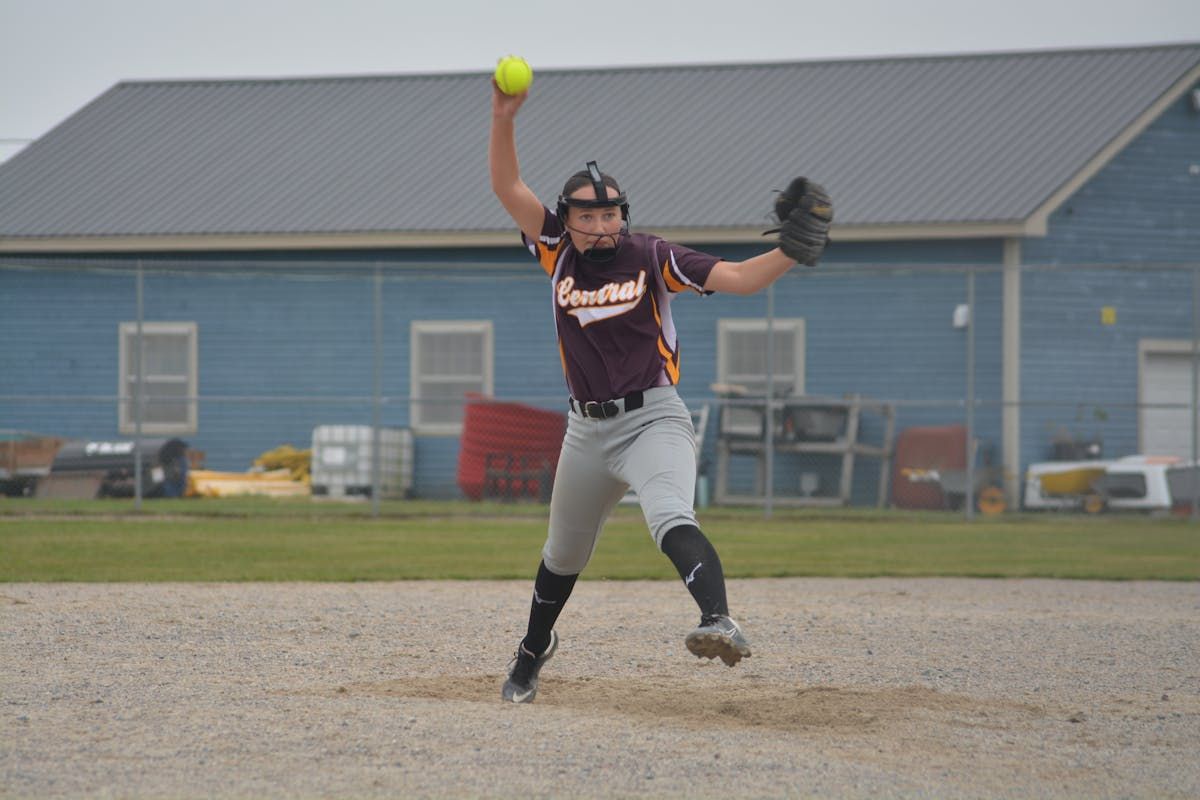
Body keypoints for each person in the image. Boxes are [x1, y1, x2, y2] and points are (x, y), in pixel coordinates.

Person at [489, 78, 832, 704]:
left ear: (625, 216)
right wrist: (502, 115)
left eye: (609, 213)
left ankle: (717, 620)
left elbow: (737, 278)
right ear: (566, 220)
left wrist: (789, 250)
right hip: (586, 432)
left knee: (670, 515)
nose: (599, 226)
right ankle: (533, 648)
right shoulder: (556, 254)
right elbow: (508, 188)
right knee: (561, 553)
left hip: (653, 420)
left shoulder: (650, 257)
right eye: (586, 215)